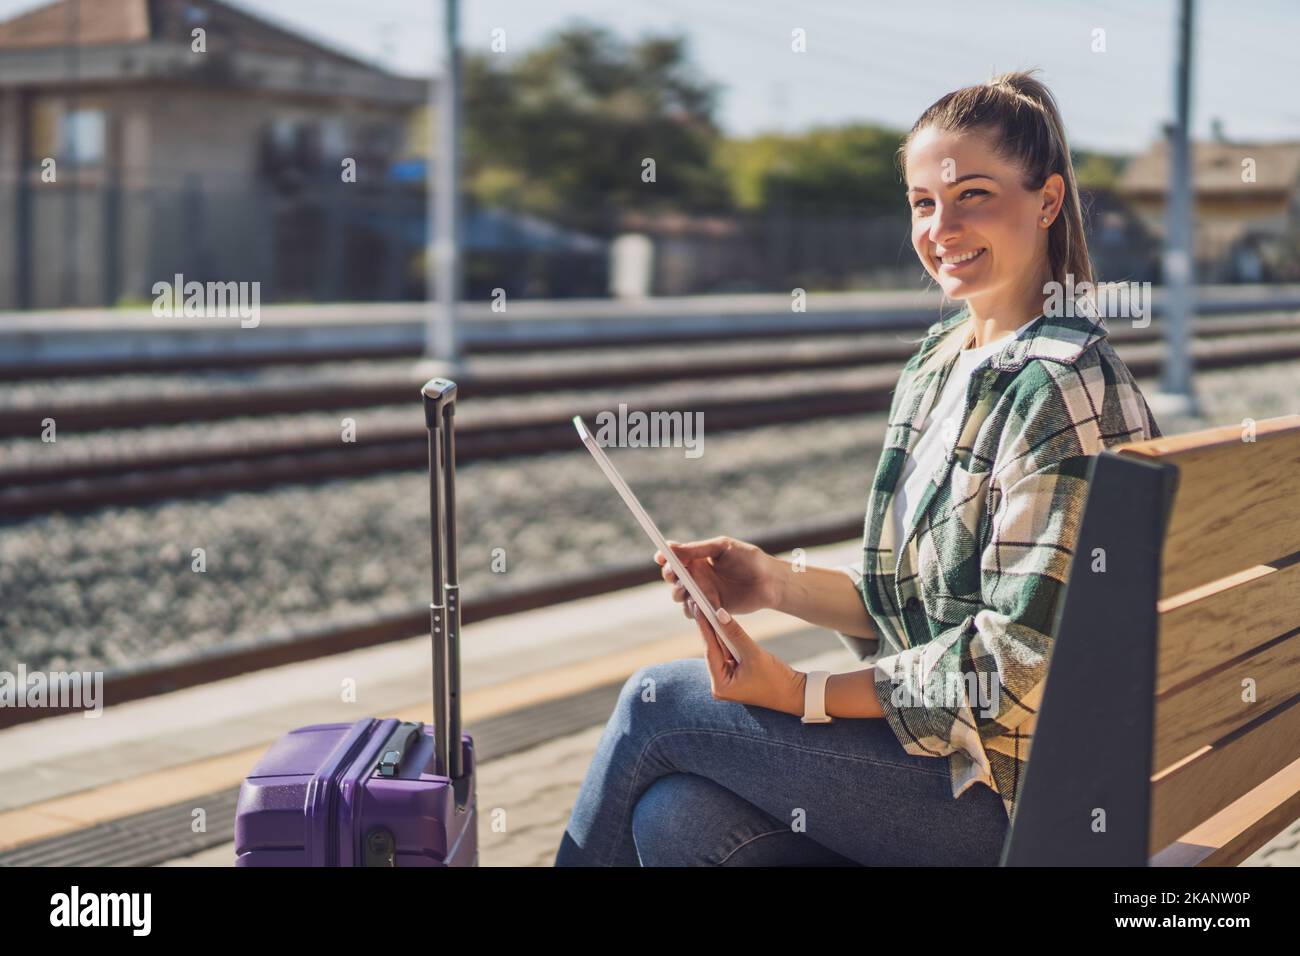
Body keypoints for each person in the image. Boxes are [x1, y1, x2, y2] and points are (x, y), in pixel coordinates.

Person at [554, 69, 1162, 867]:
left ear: (1046, 201)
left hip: (1029, 802)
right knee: (678, 819)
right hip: (961, 770)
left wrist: (802, 695)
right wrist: (773, 582)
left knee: (659, 704)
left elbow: (1014, 666)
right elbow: (914, 611)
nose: (941, 226)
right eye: (922, 202)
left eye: (973, 194)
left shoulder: (1060, 385)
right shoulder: (941, 364)